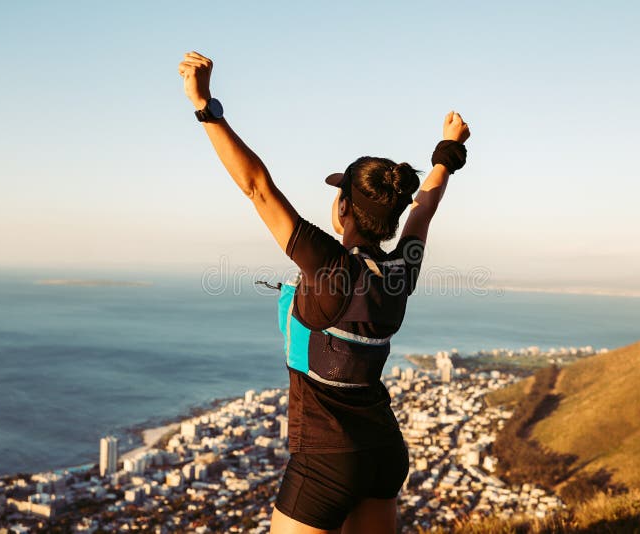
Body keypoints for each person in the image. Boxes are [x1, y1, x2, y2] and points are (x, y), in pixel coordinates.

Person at [178, 51, 470, 534]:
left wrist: (205, 106)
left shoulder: (331, 266)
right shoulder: (401, 270)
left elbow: (257, 187)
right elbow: (425, 208)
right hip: (382, 453)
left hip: (326, 461)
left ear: (344, 208)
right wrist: (446, 153)